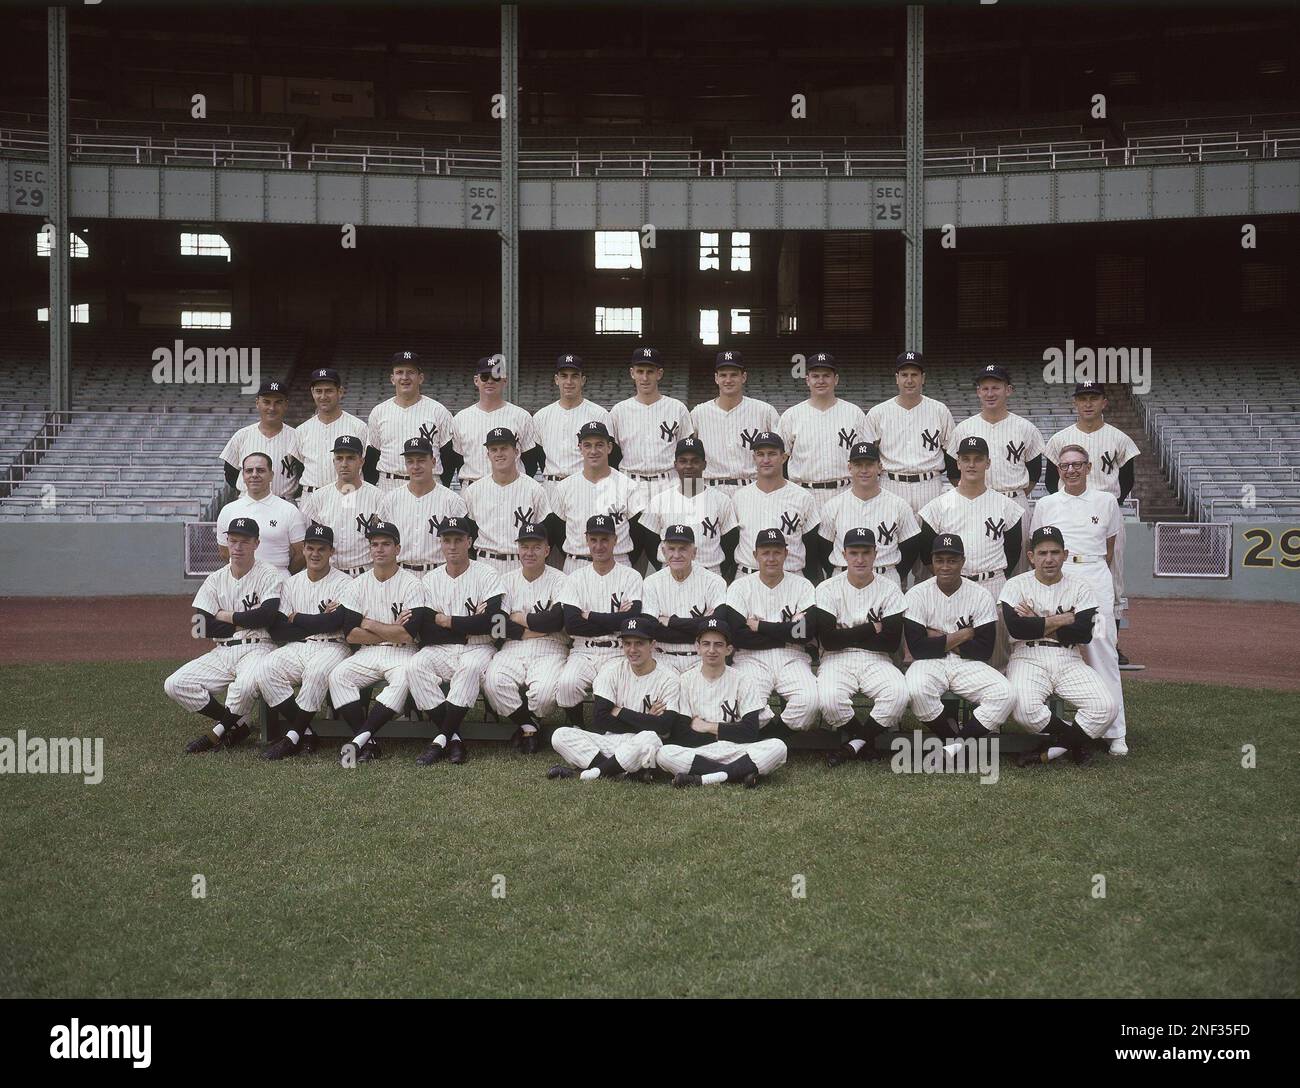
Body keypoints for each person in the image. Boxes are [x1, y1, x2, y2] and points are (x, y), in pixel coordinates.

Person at [1031, 444, 1129, 755]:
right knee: (1053, 644)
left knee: (1101, 648)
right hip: (1059, 575)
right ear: (1058, 470)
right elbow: (1037, 545)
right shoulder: (1046, 504)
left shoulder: (1106, 501)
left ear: (1089, 467)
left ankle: (1115, 732)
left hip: (1095, 573)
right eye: (1064, 465)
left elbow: (1111, 548)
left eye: (1077, 464)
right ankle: (1057, 729)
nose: (1071, 470)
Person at [1044, 381, 1143, 670]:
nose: (1087, 403)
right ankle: (1060, 633)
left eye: (1093, 398)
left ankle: (1111, 641)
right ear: (1075, 403)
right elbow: (1052, 481)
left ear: (1104, 402)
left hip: (1105, 511)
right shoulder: (1060, 438)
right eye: (1082, 398)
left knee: (1112, 575)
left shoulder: (1119, 438)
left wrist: (1106, 503)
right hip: (1068, 512)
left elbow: (1128, 480)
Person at [999, 526, 1117, 767]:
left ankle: (1055, 748)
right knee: (1024, 711)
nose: (1049, 559)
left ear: (1065, 554)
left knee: (1106, 707)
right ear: (1031, 556)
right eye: (1042, 553)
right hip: (1027, 656)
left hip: (1069, 658)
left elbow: (1083, 634)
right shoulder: (1016, 584)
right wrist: (1062, 619)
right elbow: (1017, 629)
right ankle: (1077, 743)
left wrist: (1037, 622)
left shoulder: (1080, 586)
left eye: (1055, 552)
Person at [165, 517, 282, 753]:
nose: (238, 547)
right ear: (227, 542)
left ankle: (219, 731)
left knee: (247, 685)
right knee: (175, 684)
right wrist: (245, 621)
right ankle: (236, 722)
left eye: (244, 541)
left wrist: (225, 616)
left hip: (258, 647)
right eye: (233, 541)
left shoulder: (269, 573)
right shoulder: (215, 579)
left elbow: (267, 616)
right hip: (222, 651)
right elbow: (201, 626)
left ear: (256, 543)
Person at [406, 517, 505, 767]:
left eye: (458, 540)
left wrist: (446, 621)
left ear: (469, 542)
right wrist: (471, 623)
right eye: (447, 540)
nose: (452, 546)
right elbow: (426, 631)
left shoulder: (488, 574)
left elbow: (495, 625)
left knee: (469, 667)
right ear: (440, 543)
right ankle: (455, 738)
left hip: (479, 647)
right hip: (439, 648)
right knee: (415, 666)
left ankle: (439, 741)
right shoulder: (430, 580)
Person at [918, 436, 1023, 667]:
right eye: (966, 459)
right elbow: (927, 552)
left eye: (978, 459)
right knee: (952, 656)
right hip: (953, 587)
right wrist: (947, 577)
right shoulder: (939, 505)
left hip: (993, 583)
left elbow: (1014, 551)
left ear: (988, 462)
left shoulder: (1006, 505)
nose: (972, 464)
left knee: (996, 660)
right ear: (957, 463)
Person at [811, 528, 910, 767]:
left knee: (898, 695)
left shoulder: (889, 589)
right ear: (843, 555)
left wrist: (843, 633)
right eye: (853, 552)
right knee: (829, 699)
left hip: (878, 659)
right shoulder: (827, 588)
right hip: (836, 658)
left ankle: (854, 745)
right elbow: (829, 641)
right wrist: (870, 629)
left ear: (876, 554)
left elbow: (890, 642)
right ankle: (866, 741)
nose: (860, 559)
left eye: (866, 552)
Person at [902, 533, 1013, 743]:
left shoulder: (980, 595)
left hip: (967, 664)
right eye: (939, 560)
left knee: (1005, 694)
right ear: (932, 562)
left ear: (962, 561)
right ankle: (952, 740)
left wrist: (938, 639)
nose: (945, 566)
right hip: (929, 663)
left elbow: (984, 650)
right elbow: (918, 649)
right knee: (915, 690)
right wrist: (962, 636)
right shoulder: (917, 594)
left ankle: (954, 747)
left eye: (952, 561)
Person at [330, 521, 426, 764]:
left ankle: (359, 740)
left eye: (386, 544)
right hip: (367, 652)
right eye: (374, 544)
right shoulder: (357, 584)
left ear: (398, 549)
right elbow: (351, 634)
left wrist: (369, 623)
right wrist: (392, 629)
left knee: (405, 678)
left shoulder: (413, 583)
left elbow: (407, 635)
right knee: (338, 676)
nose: (380, 549)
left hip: (403, 652)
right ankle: (368, 741)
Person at [255, 524, 354, 760]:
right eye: (310, 548)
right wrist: (319, 621)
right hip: (298, 646)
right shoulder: (291, 583)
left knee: (317, 672)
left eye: (322, 549)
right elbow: (279, 629)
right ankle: (306, 732)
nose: (315, 554)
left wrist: (297, 618)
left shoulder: (346, 582)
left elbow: (335, 624)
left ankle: (292, 737)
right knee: (265, 670)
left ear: (332, 551)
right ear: (304, 549)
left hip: (334, 645)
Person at [655, 618, 789, 788]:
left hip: (737, 750)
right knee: (665, 754)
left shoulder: (743, 680)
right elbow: (683, 735)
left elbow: (750, 732)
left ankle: (702, 779)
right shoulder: (685, 681)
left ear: (728, 649)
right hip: (701, 752)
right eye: (706, 644)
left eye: (718, 644)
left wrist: (707, 726)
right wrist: (731, 730)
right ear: (698, 647)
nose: (711, 650)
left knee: (778, 747)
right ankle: (738, 774)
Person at [547, 615, 676, 782]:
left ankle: (593, 772)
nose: (632, 649)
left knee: (650, 737)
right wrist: (646, 720)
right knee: (560, 735)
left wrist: (619, 711)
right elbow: (601, 719)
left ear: (652, 644)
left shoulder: (669, 678)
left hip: (643, 745)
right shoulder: (611, 671)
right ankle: (621, 773)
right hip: (611, 741)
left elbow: (664, 727)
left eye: (639, 643)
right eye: (627, 643)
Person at [715, 529, 819, 733]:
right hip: (750, 658)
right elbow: (739, 637)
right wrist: (786, 633)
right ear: (755, 555)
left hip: (793, 657)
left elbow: (805, 634)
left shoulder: (803, 586)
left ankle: (778, 732)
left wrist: (761, 626)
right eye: (765, 552)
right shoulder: (739, 587)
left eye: (777, 552)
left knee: (810, 702)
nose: (771, 558)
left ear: (786, 554)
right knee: (747, 710)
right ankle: (773, 731)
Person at [481, 523, 570, 755]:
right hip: (513, 646)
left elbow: (556, 622)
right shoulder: (506, 580)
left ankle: (528, 723)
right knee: (493, 683)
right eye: (525, 546)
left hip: (551, 646)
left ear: (547, 550)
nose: (530, 552)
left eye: (536, 547)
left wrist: (519, 617)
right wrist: (527, 630)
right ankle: (529, 725)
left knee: (545, 695)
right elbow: (497, 626)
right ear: (518, 550)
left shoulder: (560, 579)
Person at [554, 515, 645, 727]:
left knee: (608, 688)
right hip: (583, 651)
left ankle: (606, 729)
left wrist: (590, 616)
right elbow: (573, 625)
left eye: (604, 540)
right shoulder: (575, 578)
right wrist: (616, 620)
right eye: (594, 539)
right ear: (586, 540)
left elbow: (632, 621)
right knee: (567, 685)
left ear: (615, 540)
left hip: (616, 651)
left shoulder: (631, 576)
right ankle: (577, 726)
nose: (599, 545)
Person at [946, 364, 1044, 521]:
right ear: (978, 392)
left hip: (1014, 501)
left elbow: (1034, 473)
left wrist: (1014, 494)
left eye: (996, 388)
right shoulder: (963, 429)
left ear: (1008, 390)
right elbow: (952, 471)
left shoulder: (1026, 428)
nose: (990, 394)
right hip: (976, 501)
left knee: (1018, 546)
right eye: (985, 389)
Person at [546, 421, 648, 571]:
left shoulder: (628, 486)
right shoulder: (564, 487)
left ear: (609, 447)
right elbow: (558, 530)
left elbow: (639, 533)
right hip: (576, 564)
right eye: (587, 445)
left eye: (599, 445)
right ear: (580, 448)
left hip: (617, 563)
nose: (593, 451)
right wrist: (577, 553)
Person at [778, 351, 870, 515]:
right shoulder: (791, 416)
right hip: (804, 494)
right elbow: (779, 459)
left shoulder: (854, 413)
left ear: (836, 379)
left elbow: (867, 457)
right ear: (807, 380)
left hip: (846, 491)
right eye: (815, 376)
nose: (820, 381)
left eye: (826, 376)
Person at [865, 351, 956, 516]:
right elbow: (869, 455)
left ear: (923, 378)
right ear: (897, 378)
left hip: (929, 484)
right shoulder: (878, 413)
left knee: (929, 539)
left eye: (914, 375)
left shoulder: (940, 410)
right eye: (904, 375)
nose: (909, 380)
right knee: (891, 539)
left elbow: (952, 453)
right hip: (891, 483)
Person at [818, 442, 921, 584]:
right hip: (843, 579)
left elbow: (911, 547)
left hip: (886, 576)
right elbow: (823, 548)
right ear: (850, 468)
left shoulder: (899, 505)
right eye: (858, 465)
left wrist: (896, 574)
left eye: (869, 464)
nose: (864, 470)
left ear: (880, 467)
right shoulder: (833, 506)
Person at [730, 431, 826, 580]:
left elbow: (812, 549)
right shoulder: (739, 497)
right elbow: (731, 543)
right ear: (754, 458)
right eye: (760, 454)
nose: (766, 459)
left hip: (791, 578)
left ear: (783, 457)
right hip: (747, 578)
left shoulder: (803, 497)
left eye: (772, 454)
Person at [610, 345, 695, 508]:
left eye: (650, 371)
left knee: (671, 534)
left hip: (669, 483)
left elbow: (690, 455)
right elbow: (611, 455)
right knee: (631, 534)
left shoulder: (677, 408)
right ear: (632, 373)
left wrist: (693, 493)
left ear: (659, 374)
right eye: (640, 371)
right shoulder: (619, 411)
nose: (645, 377)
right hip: (630, 483)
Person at [639, 437, 738, 575]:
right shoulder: (659, 500)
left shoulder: (722, 500)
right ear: (675, 464)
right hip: (670, 574)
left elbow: (730, 542)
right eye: (683, 461)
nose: (688, 466)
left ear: (704, 464)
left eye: (695, 461)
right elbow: (649, 542)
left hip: (710, 573)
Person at [688, 350, 780, 496]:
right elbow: (688, 457)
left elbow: (782, 454)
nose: (728, 380)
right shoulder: (699, 413)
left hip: (753, 489)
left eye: (734, 374)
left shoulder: (764, 411)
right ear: (716, 378)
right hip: (710, 490)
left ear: (743, 377)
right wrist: (690, 495)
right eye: (723, 375)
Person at [375, 436, 468, 578]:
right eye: (410, 461)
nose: (416, 466)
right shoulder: (390, 500)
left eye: (421, 460)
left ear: (433, 461)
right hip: (401, 574)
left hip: (440, 575)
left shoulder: (453, 500)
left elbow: (463, 544)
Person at [640, 524, 727, 674]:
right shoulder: (651, 582)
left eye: (683, 549)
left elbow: (718, 625)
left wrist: (671, 622)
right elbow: (651, 629)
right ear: (663, 552)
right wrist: (702, 624)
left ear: (694, 552)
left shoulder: (714, 581)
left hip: (700, 659)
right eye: (672, 549)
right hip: (662, 659)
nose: (677, 554)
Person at [462, 426, 550, 574]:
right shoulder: (474, 491)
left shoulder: (535, 490)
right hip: (485, 564)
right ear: (488, 454)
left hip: (521, 565)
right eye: (494, 450)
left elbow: (547, 534)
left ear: (516, 452)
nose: (499, 454)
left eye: (504, 448)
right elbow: (468, 533)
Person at [364, 351, 455, 491]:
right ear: (392, 378)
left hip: (429, 484)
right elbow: (372, 456)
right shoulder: (379, 412)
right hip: (389, 484)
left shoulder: (438, 411)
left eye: (411, 372)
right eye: (399, 372)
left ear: (421, 378)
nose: (405, 377)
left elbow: (448, 457)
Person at [448, 356, 543, 488]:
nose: (490, 381)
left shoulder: (521, 416)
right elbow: (457, 460)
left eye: (495, 377)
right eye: (485, 377)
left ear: (504, 381)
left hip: (512, 488)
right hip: (473, 487)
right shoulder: (461, 418)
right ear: (476, 380)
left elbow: (530, 461)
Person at [297, 435, 384, 577]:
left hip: (366, 574)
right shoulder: (318, 498)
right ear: (333, 461)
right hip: (330, 575)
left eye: (350, 458)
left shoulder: (378, 497)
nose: (344, 463)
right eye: (339, 458)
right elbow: (310, 544)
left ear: (361, 461)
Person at [532, 353, 616, 499]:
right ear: (556, 379)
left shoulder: (599, 414)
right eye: (564, 376)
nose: (569, 381)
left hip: (587, 487)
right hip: (552, 487)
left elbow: (610, 456)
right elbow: (538, 455)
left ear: (582, 380)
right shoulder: (541, 416)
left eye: (574, 376)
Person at [216, 452, 306, 574]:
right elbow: (225, 552)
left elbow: (301, 554)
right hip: (241, 581)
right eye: (249, 471)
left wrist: (281, 575)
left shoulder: (289, 510)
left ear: (271, 475)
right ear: (243, 476)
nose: (254, 475)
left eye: (260, 470)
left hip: (278, 581)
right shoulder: (228, 510)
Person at [220, 379, 302, 500]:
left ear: (286, 404)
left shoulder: (298, 437)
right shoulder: (242, 435)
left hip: (284, 504)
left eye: (278, 402)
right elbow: (230, 474)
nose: (272, 408)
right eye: (266, 402)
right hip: (248, 502)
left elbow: (303, 474)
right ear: (257, 403)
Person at [294, 367, 368, 497]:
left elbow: (369, 467)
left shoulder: (359, 427)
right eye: (318, 391)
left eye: (329, 391)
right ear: (312, 392)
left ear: (340, 391)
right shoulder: (301, 430)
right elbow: (299, 467)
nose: (323, 396)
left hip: (347, 493)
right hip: (311, 494)